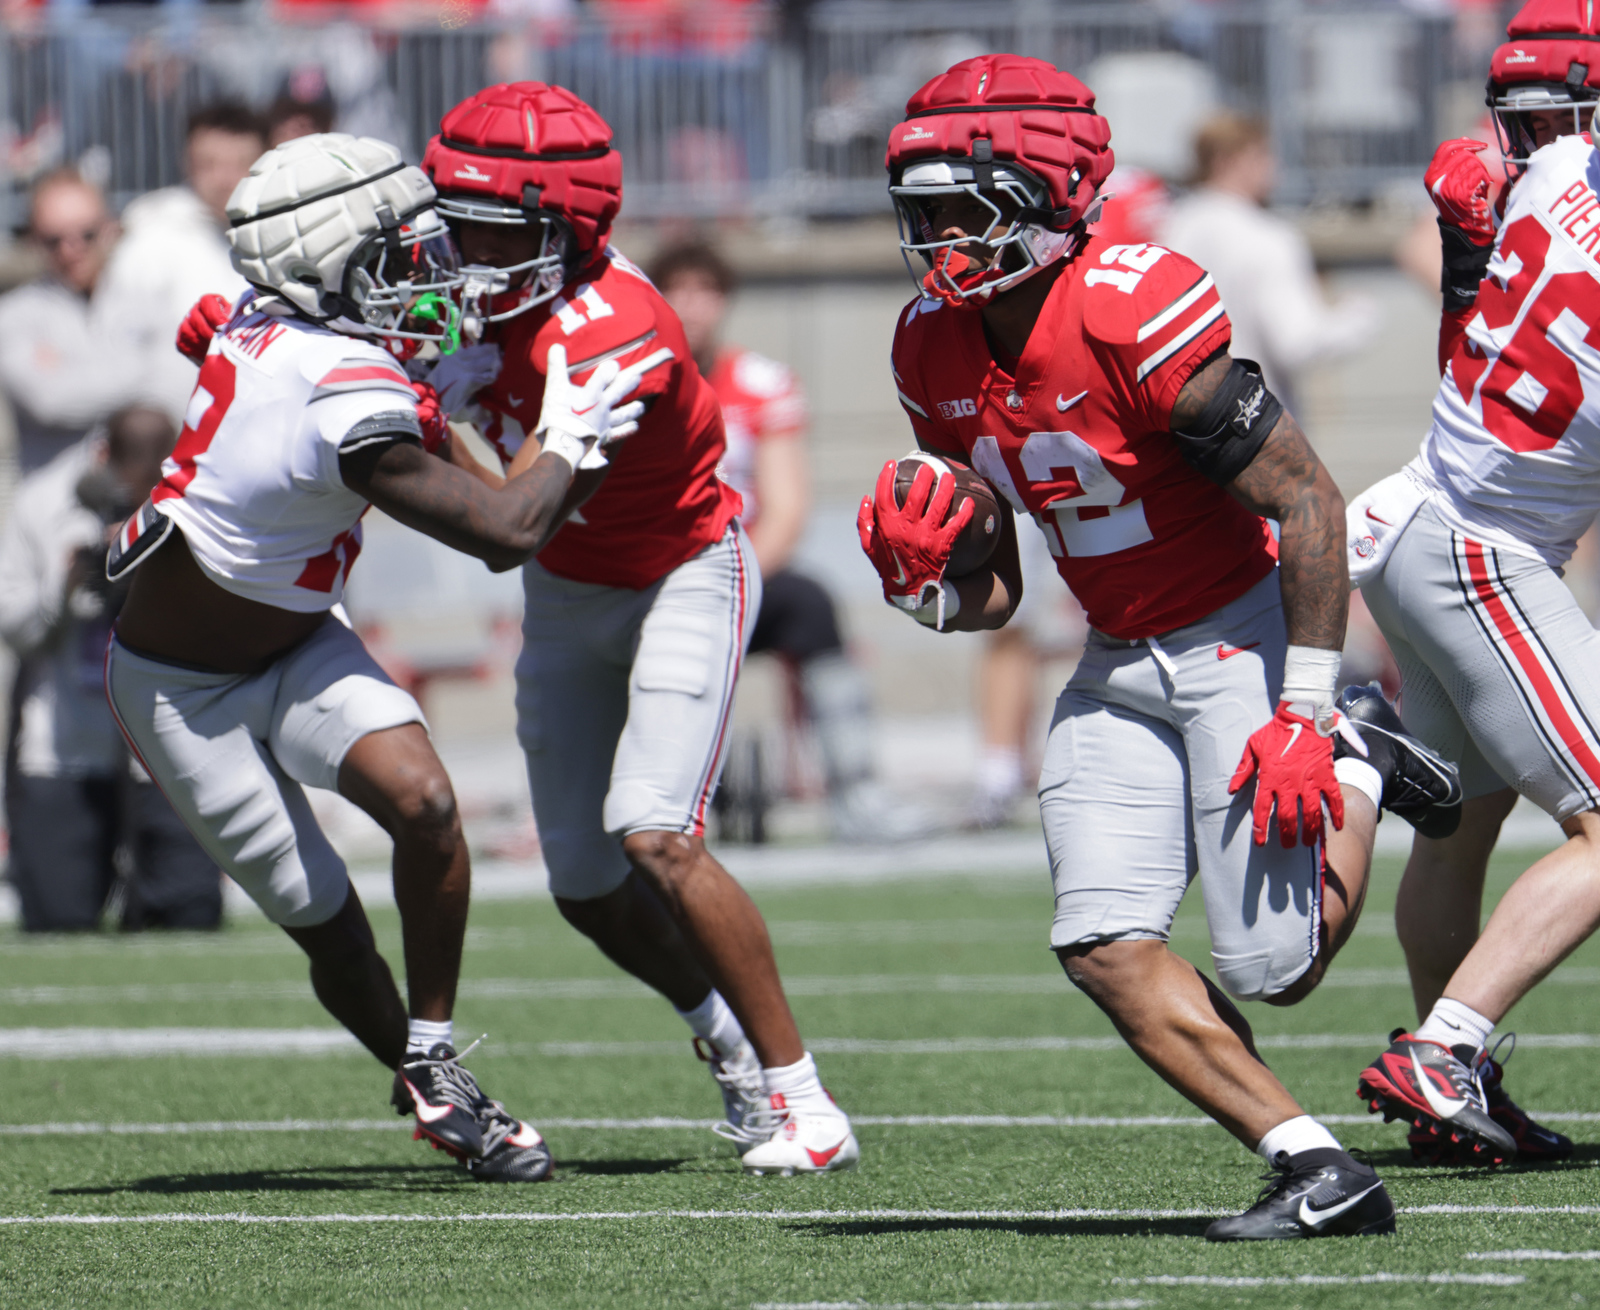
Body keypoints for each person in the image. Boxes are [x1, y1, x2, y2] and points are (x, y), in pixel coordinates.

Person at [864, 54, 1463, 1239]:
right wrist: (926, 589)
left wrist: (1303, 708)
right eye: (924, 213)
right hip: (1115, 658)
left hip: (1240, 636)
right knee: (1102, 944)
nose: (940, 239)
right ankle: (1319, 1170)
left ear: (1049, 199)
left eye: (965, 210)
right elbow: (999, 589)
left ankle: (1357, 752)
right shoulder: (927, 344)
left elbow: (1306, 500)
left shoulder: (1128, 305)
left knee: (1273, 967)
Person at [103, 132, 648, 1181]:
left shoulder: (280, 315)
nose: (432, 273)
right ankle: (424, 1082)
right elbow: (508, 531)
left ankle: (436, 1057)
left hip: (297, 634)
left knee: (428, 806)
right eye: (404, 256)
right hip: (180, 692)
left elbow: (256, 340)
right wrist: (572, 441)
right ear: (328, 270)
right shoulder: (342, 388)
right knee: (330, 925)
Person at [419, 82, 858, 1175]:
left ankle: (807, 1103)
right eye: (458, 222)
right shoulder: (472, 296)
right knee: (581, 883)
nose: (470, 251)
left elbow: (506, 522)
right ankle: (725, 1039)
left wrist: (436, 421)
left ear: (568, 230)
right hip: (568, 587)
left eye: (497, 230)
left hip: (680, 573)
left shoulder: (615, 329)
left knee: (656, 831)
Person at [1347, 0, 1600, 1167]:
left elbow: (1475, 352)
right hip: (1480, 555)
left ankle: (1452, 1085)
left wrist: (1463, 262)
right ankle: (1445, 1048)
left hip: (1416, 518)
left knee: (1462, 827)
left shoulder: (1548, 180)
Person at [649, 239, 925, 842]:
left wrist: (729, 581)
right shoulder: (633, 384)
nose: (691, 306)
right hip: (651, 579)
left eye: (705, 290)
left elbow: (786, 510)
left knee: (812, 603)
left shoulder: (761, 382)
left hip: (741, 573)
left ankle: (856, 792)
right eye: (676, 290)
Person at [0, 404, 222, 931]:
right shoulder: (42, 502)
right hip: (67, 745)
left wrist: (164, 567)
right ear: (103, 459)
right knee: (59, 921)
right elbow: (14, 625)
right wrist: (66, 589)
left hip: (167, 745)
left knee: (189, 915)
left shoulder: (201, 496)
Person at [1158, 113, 1379, 416]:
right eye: (1262, 154)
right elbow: (1299, 344)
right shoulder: (1268, 237)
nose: (1275, 165)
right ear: (1227, 161)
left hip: (1181, 421)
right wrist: (1359, 315)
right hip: (1257, 426)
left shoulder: (1170, 228)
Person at [98, 101, 265, 427]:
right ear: (186, 164)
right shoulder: (150, 240)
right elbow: (116, 351)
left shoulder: (281, 242)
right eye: (209, 164)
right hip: (176, 431)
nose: (225, 179)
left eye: (241, 163)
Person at [0, 169, 143, 473]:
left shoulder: (148, 304)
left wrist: (75, 373)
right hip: (54, 498)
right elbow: (50, 400)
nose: (71, 250)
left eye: (86, 234)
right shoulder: (13, 315)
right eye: (54, 240)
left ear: (109, 228)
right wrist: (140, 374)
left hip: (143, 497)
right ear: (34, 239)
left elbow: (178, 393)